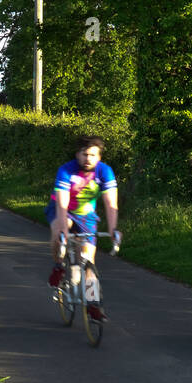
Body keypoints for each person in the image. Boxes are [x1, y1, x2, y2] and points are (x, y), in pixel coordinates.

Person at [45, 136, 120, 320]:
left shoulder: (105, 172)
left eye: (93, 155)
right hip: (61, 210)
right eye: (85, 155)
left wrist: (113, 230)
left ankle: (93, 306)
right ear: (77, 155)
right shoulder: (66, 170)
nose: (88, 159)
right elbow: (62, 204)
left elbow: (111, 204)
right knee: (59, 233)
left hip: (86, 215)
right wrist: (63, 229)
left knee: (88, 260)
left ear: (99, 157)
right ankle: (58, 266)